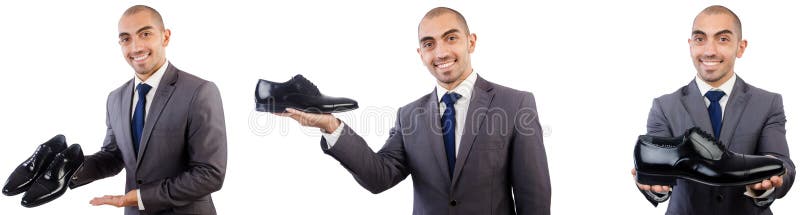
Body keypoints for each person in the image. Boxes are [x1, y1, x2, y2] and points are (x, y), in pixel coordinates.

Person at [279, 7, 551, 214]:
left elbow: (534, 196)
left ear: (471, 42)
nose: (441, 52)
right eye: (429, 44)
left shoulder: (515, 105)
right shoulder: (409, 116)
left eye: (451, 38)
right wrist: (330, 125)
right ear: (420, 54)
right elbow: (379, 176)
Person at [633, 5, 795, 214]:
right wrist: (655, 186)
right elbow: (658, 158)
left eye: (723, 39)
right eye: (700, 39)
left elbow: (782, 163)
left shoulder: (768, 102)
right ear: (690, 45)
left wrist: (774, 179)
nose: (709, 50)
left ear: (741, 47)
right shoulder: (664, 106)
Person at [68, 5, 227, 215]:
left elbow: (210, 174)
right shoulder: (115, 99)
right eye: (126, 39)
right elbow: (113, 156)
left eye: (145, 34)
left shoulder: (199, 92)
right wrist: (68, 169)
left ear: (165, 37)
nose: (135, 47)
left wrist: (142, 197)